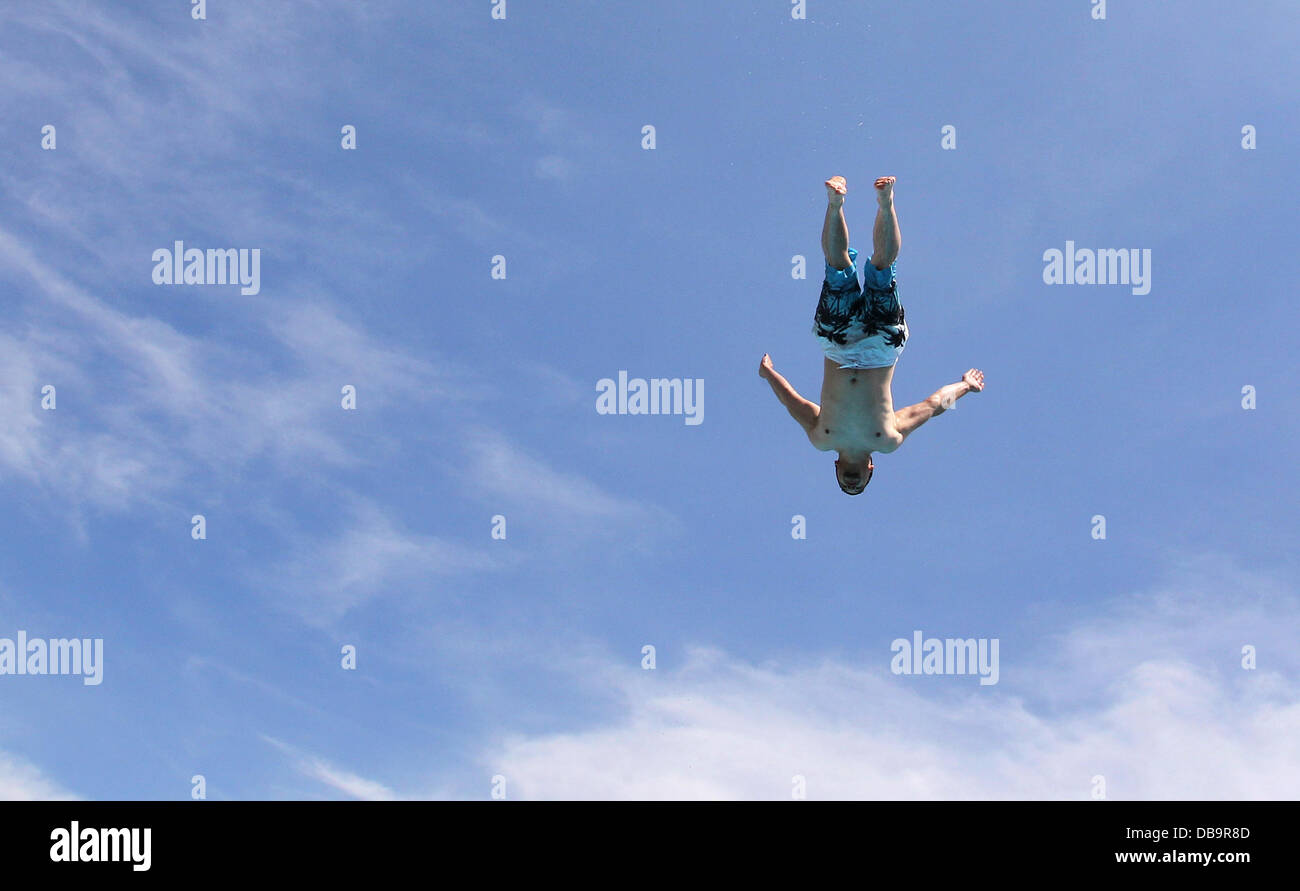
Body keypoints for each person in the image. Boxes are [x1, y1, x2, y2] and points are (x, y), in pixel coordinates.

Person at [759, 175, 985, 495]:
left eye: (845, 485)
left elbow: (790, 400)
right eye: (860, 486)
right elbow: (933, 405)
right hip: (881, 347)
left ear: (837, 471)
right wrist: (966, 385)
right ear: (870, 470)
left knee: (837, 270)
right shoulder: (889, 439)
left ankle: (835, 204)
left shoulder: (821, 437)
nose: (852, 483)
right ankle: (886, 202)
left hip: (837, 344)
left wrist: (768, 374)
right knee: (882, 270)